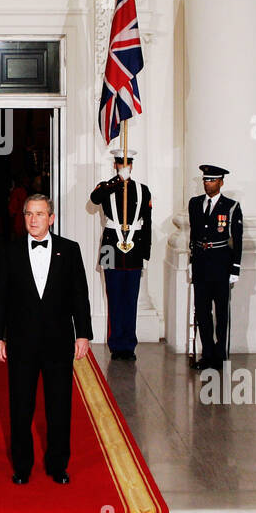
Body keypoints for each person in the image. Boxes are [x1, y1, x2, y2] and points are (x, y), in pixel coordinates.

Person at [0, 194, 93, 484]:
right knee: (20, 407)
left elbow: (79, 296)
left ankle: (58, 465)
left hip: (59, 342)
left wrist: (83, 333)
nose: (33, 220)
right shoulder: (9, 251)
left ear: (51, 218)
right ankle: (22, 466)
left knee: (59, 406)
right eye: (28, 214)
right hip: (21, 342)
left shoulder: (70, 250)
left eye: (39, 214)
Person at [89, 147, 153, 361]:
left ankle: (129, 344)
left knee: (130, 298)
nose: (124, 167)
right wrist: (117, 181)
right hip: (109, 247)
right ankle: (116, 344)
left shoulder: (143, 190)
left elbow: (148, 223)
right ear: (115, 165)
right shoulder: (106, 187)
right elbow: (95, 199)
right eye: (120, 164)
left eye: (127, 164)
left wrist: (146, 251)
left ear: (132, 166)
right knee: (113, 296)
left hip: (134, 246)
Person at [188, 164, 243, 370]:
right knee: (202, 311)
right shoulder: (194, 204)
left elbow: (237, 239)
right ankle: (207, 354)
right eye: (205, 180)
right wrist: (191, 261)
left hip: (221, 263)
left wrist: (235, 268)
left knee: (221, 312)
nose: (207, 184)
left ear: (221, 182)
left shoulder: (231, 206)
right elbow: (194, 234)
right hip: (201, 263)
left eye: (211, 180)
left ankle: (220, 355)